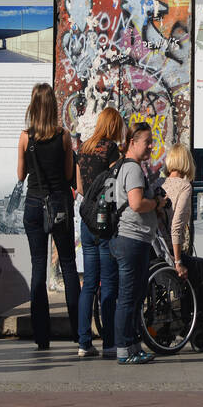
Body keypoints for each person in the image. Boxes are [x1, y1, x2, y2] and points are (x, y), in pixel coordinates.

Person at [17, 83, 78, 352]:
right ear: (53, 106)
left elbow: (20, 175)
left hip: (34, 203)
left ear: (33, 106)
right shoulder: (64, 137)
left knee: (38, 268)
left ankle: (42, 336)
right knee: (67, 264)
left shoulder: (25, 138)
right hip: (59, 203)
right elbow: (67, 176)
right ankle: (79, 332)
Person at [112, 122, 164, 364]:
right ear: (133, 142)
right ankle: (124, 349)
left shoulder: (124, 166)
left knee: (133, 296)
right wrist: (155, 203)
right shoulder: (132, 168)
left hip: (134, 239)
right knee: (128, 296)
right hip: (132, 238)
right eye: (147, 141)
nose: (151, 146)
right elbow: (135, 203)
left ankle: (132, 346)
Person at [75, 106, 124, 358]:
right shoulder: (111, 150)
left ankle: (84, 343)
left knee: (89, 284)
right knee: (109, 284)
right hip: (105, 222)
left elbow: (80, 187)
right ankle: (109, 344)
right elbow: (114, 185)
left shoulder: (82, 150)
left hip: (86, 220)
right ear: (113, 126)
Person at [163, 143, 203, 352]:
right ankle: (195, 324)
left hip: (158, 250)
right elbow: (176, 226)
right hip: (170, 252)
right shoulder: (184, 186)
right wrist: (177, 261)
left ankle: (185, 319)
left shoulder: (161, 184)